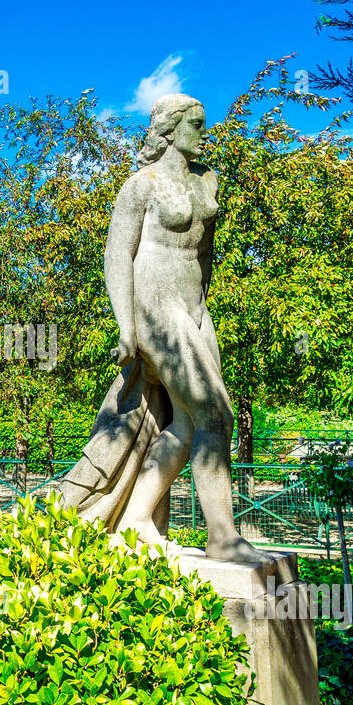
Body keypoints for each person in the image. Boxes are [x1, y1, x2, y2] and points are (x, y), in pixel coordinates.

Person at [57, 94, 271, 562]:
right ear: (170, 130)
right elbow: (117, 254)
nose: (204, 132)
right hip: (152, 301)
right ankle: (224, 540)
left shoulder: (207, 180)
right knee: (217, 414)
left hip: (193, 304)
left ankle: (135, 519)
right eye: (196, 124)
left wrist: (200, 306)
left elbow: (205, 253)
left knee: (190, 422)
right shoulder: (141, 185)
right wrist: (126, 327)